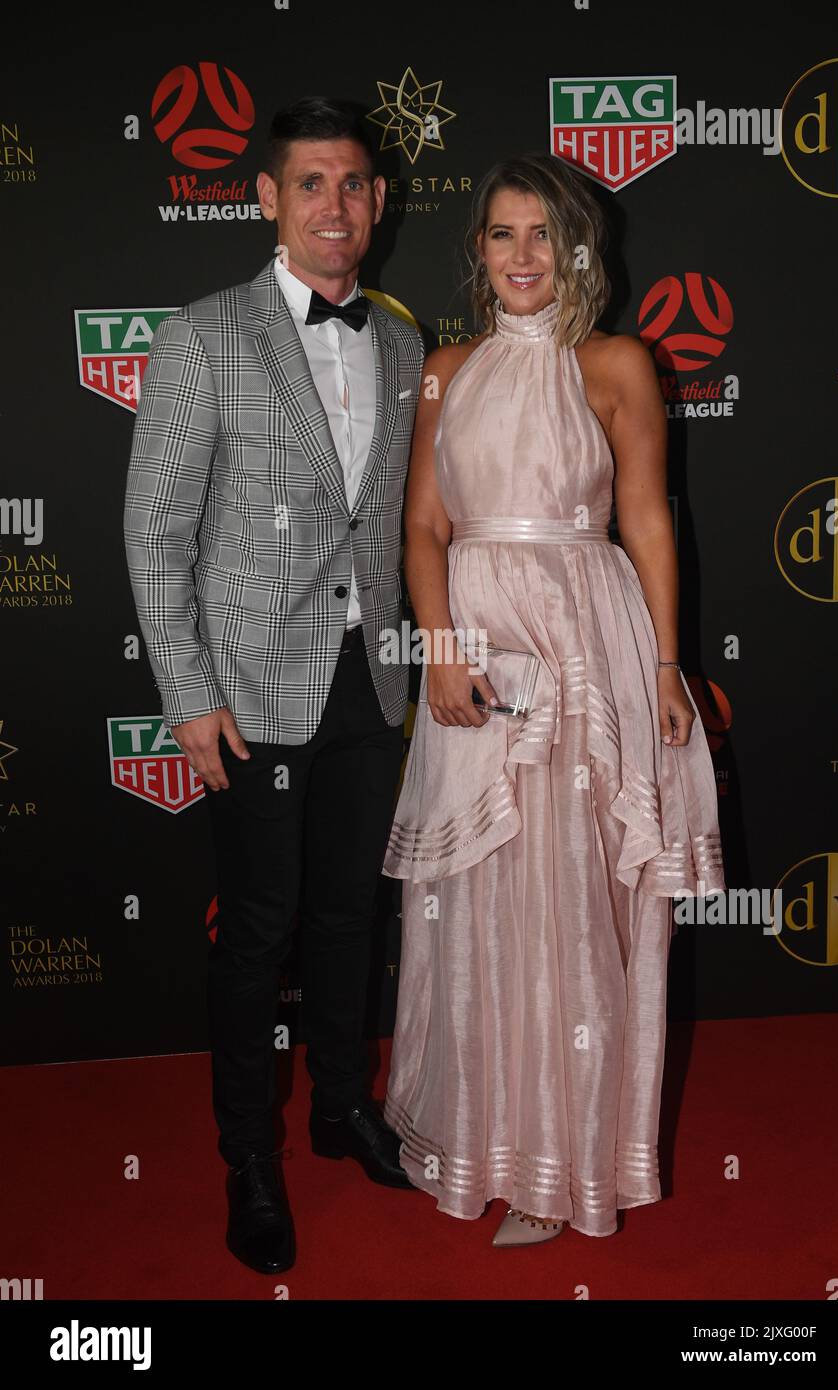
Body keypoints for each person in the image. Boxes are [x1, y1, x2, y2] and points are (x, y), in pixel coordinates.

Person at [382, 153, 725, 1246]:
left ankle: (565, 1161)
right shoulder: (444, 367)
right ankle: (484, 1138)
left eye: (542, 234)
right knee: (477, 901)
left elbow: (647, 519)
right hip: (475, 645)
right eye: (499, 234)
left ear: (578, 249)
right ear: (476, 253)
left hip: (582, 643)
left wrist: (666, 667)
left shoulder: (616, 362)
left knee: (573, 903)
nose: (521, 255)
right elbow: (423, 526)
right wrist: (438, 649)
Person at [123, 97, 425, 1273]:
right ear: (266, 197)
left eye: (352, 183)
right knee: (256, 933)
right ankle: (248, 1156)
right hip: (249, 688)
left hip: (372, 679)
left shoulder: (400, 345)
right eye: (309, 183)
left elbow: (395, 524)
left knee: (353, 916)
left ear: (379, 200)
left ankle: (342, 1106)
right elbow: (156, 535)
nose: (333, 206)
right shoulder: (202, 336)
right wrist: (188, 695)